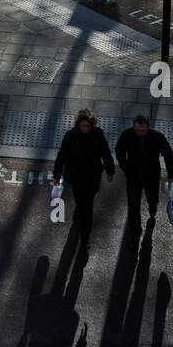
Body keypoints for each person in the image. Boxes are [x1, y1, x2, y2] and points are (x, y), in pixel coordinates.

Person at [52, 109, 115, 256]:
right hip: (76, 176)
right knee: (80, 200)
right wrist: (56, 174)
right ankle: (79, 210)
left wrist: (110, 170)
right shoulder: (71, 136)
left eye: (87, 126)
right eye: (83, 126)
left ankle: (85, 239)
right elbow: (61, 156)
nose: (85, 129)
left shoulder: (98, 135)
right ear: (78, 124)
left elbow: (105, 153)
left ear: (91, 125)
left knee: (88, 209)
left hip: (92, 177)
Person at [115, 114, 173, 245]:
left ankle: (152, 208)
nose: (140, 133)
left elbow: (168, 155)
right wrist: (125, 167)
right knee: (133, 207)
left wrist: (171, 175)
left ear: (148, 127)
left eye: (143, 130)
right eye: (137, 130)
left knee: (153, 198)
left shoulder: (157, 137)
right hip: (133, 176)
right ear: (134, 126)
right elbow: (119, 150)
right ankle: (136, 234)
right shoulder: (127, 135)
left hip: (151, 176)